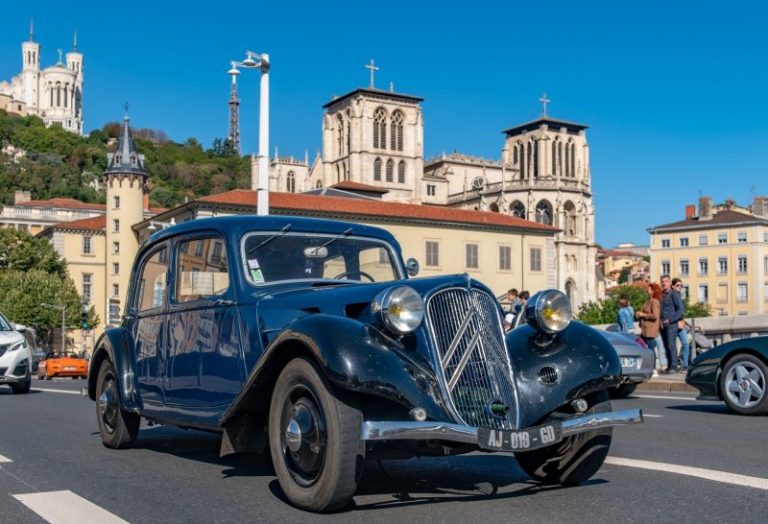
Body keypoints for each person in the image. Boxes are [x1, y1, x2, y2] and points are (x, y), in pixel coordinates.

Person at [659, 274, 685, 373]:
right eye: (662, 281)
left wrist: (671, 320)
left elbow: (680, 309)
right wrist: (660, 321)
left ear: (670, 283)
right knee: (666, 345)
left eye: (666, 281)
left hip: (671, 324)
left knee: (671, 344)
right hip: (662, 325)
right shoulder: (661, 295)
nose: (664, 283)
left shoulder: (674, 294)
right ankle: (669, 365)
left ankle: (674, 366)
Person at [636, 282, 662, 372]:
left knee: (651, 350)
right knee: (644, 348)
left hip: (650, 330)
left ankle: (653, 369)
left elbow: (655, 316)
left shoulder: (654, 301)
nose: (647, 290)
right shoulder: (648, 300)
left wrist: (643, 314)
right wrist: (639, 314)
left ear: (653, 291)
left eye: (649, 288)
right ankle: (648, 368)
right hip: (645, 330)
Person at [671, 278, 690, 370]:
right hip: (674, 325)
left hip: (681, 325)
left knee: (686, 344)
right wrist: (676, 321)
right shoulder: (672, 296)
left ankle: (684, 364)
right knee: (672, 346)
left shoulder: (678, 296)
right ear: (673, 286)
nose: (680, 287)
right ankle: (677, 363)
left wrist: (684, 322)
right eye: (678, 285)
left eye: (681, 285)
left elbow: (680, 312)